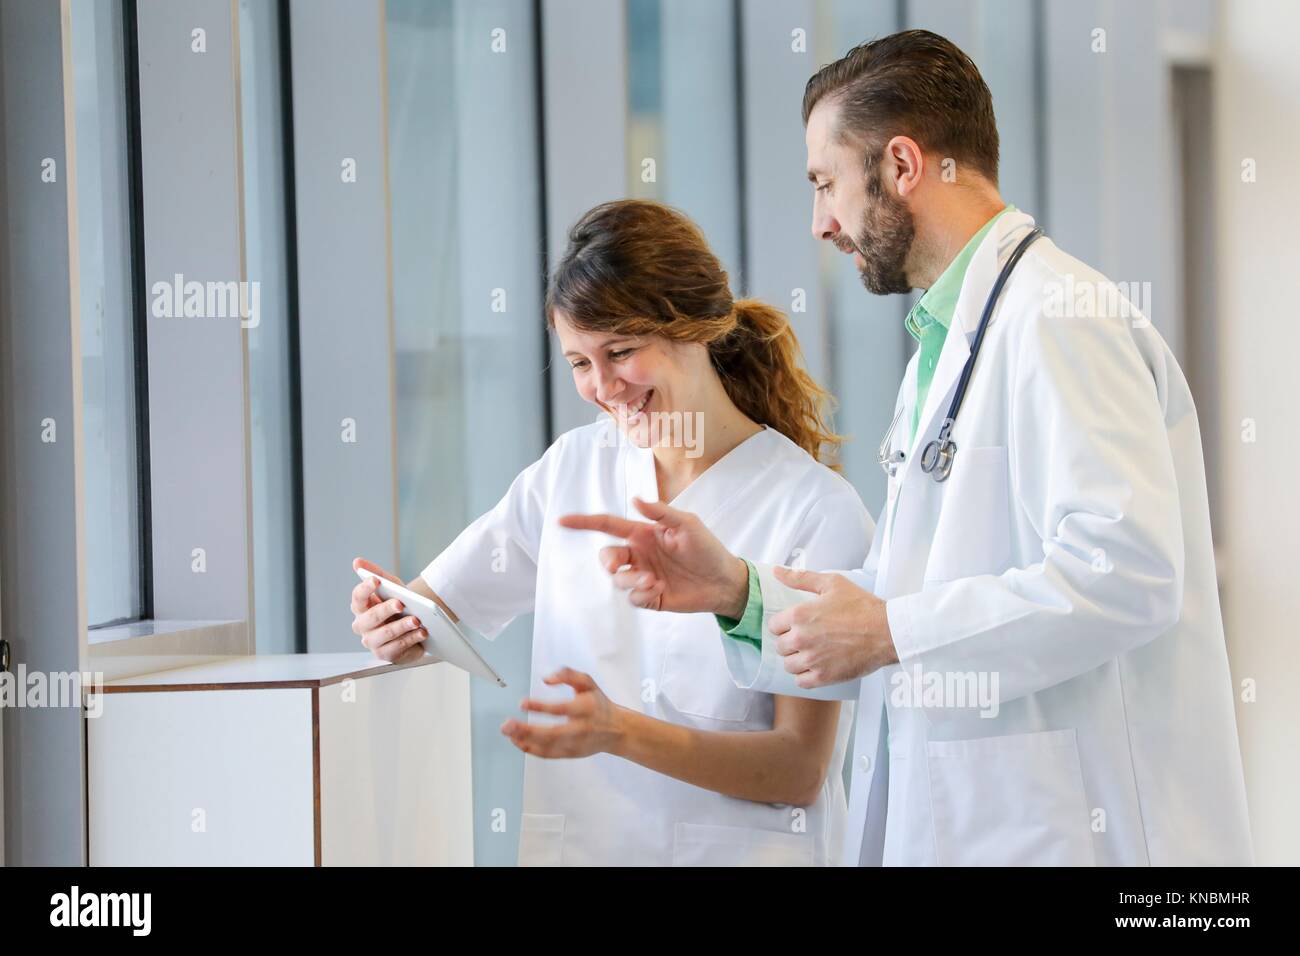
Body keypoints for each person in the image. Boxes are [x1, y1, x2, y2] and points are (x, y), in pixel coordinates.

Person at [563, 31, 1253, 866]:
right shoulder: (949, 339)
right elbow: (910, 596)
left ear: (900, 164)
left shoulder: (1060, 317)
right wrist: (740, 593)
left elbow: (1128, 573)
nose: (821, 223)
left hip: (1077, 832)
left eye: (826, 183)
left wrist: (897, 631)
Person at [350, 199, 873, 866]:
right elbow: (433, 606)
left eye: (620, 352)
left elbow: (798, 768)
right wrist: (388, 619)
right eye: (578, 363)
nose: (603, 387)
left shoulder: (815, 512)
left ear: (697, 327)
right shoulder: (573, 469)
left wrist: (618, 731)